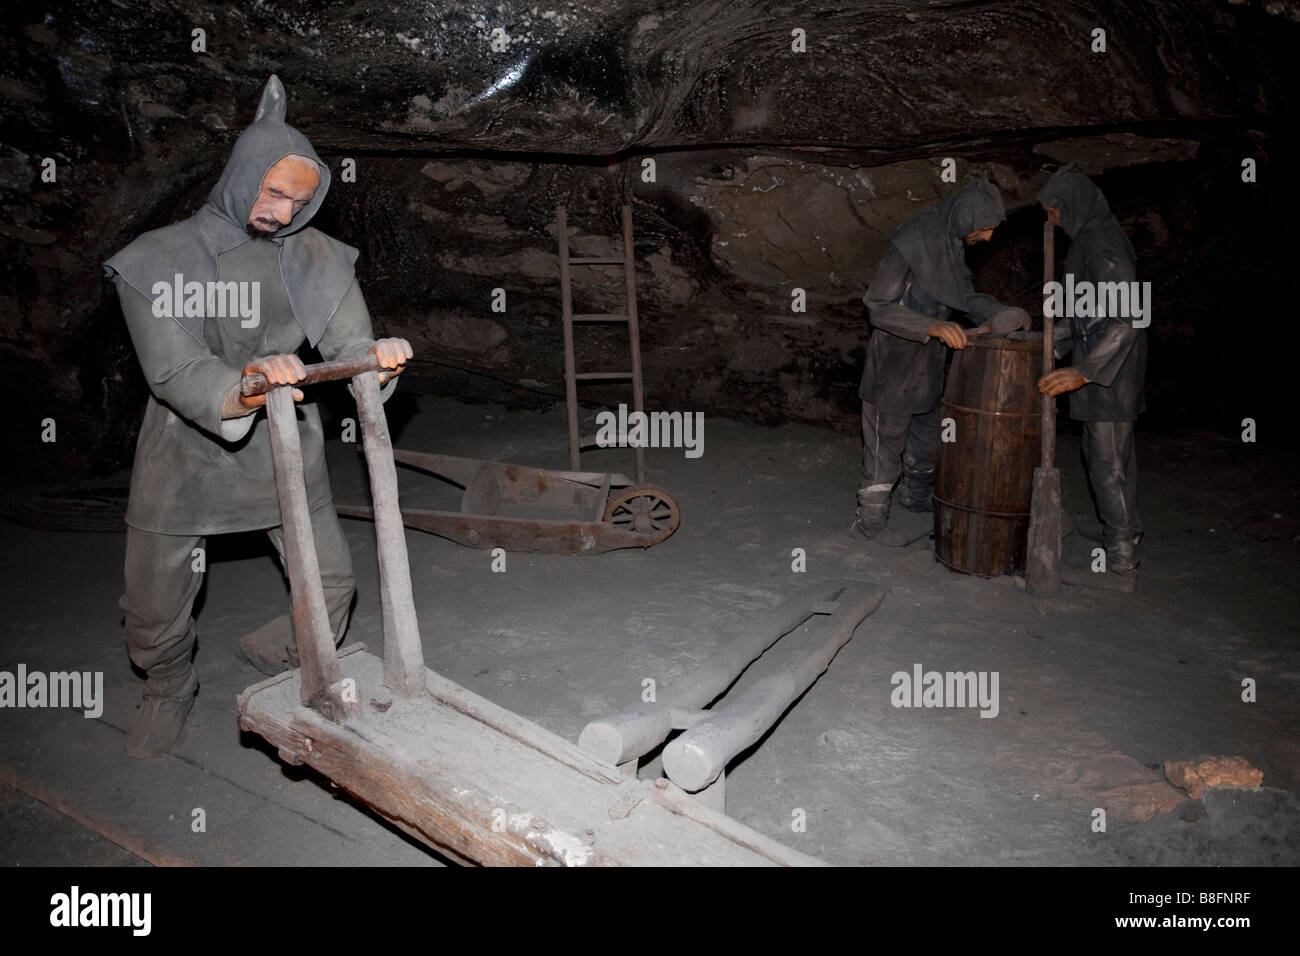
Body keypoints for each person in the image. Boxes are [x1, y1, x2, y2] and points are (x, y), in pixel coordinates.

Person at [103, 76, 411, 758]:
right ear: (242, 176)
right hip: (185, 455)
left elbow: (351, 347)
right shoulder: (157, 258)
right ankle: (167, 688)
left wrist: (379, 362)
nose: (284, 212)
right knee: (154, 608)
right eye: (274, 193)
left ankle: (285, 653)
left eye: (301, 201)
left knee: (332, 584)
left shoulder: (318, 256)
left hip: (285, 444)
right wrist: (244, 385)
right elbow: (173, 371)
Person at [855, 177, 1029, 541]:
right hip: (893, 366)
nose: (988, 238)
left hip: (928, 364)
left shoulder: (950, 243)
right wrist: (932, 326)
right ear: (965, 216)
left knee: (925, 440)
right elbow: (878, 307)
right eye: (984, 228)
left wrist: (998, 313)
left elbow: (963, 295)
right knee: (885, 445)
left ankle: (915, 503)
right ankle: (871, 523)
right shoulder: (914, 239)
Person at [1036, 165, 1146, 591]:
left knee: (1108, 464)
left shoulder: (1101, 242)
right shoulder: (1090, 237)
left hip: (1112, 373)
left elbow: (1127, 316)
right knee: (1103, 457)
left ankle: (1121, 561)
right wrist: (1047, 344)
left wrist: (1083, 371)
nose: (1053, 220)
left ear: (1073, 205)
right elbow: (1088, 312)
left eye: (1055, 211)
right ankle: (1120, 531)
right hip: (1105, 366)